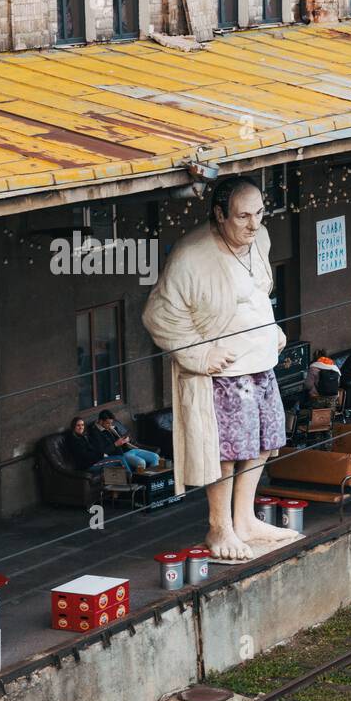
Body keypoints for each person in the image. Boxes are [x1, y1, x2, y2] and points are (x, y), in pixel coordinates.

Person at [141, 176, 301, 561]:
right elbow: (157, 314)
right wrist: (199, 353)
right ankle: (220, 527)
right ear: (219, 214)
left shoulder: (258, 239)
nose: (253, 225)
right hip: (224, 371)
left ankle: (244, 519)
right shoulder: (191, 255)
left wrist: (272, 330)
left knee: (265, 438)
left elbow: (256, 295)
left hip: (260, 360)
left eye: (260, 213)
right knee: (227, 449)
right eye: (243, 216)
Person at [92, 409, 161, 474]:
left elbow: (121, 437)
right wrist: (116, 444)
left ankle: (152, 480)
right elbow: (103, 451)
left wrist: (125, 438)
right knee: (141, 462)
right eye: (108, 423)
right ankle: (142, 481)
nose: (110, 425)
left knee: (155, 457)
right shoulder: (95, 433)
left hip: (131, 449)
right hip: (122, 454)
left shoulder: (112, 428)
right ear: (100, 421)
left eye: (111, 423)